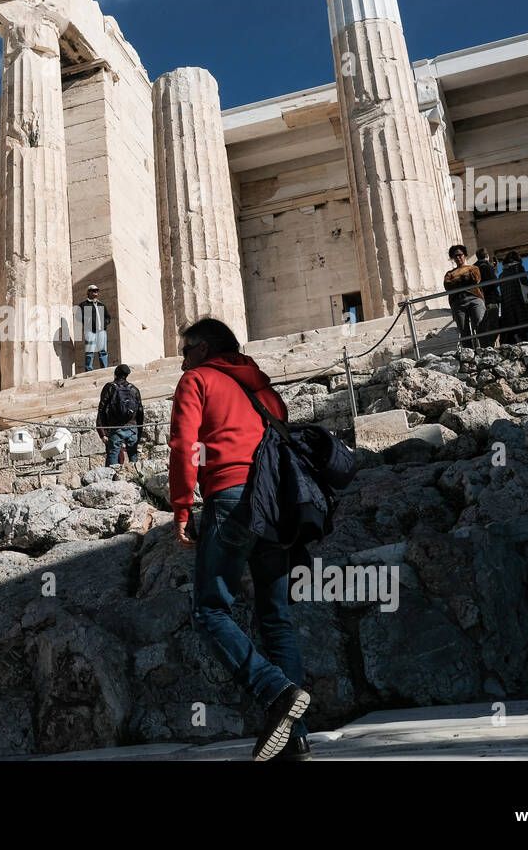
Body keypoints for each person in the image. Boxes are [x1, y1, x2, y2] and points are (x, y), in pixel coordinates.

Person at [169, 317, 311, 762]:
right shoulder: (261, 385)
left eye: (185, 350)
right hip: (275, 503)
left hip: (231, 498)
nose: (180, 361)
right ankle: (296, 739)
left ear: (204, 348)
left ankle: (276, 692)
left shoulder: (198, 379)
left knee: (210, 609)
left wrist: (181, 506)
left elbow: (185, 445)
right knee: (276, 617)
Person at [96, 364, 143, 466]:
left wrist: (105, 430)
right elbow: (140, 411)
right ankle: (137, 478)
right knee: (133, 458)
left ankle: (114, 479)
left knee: (113, 459)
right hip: (132, 428)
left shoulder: (110, 387)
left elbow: (101, 409)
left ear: (115, 374)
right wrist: (139, 431)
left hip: (116, 428)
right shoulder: (134, 389)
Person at [443, 245, 485, 345]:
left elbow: (475, 279)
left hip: (474, 298)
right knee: (463, 330)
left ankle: (483, 349)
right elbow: (448, 285)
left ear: (465, 255)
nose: (458, 257)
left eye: (460, 255)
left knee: (480, 324)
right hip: (457, 302)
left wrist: (457, 281)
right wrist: (465, 279)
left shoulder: (473, 268)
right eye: (455, 256)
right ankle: (468, 354)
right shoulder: (449, 273)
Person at [496, 251, 528, 343]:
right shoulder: (518, 268)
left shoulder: (501, 275)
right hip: (521, 302)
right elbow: (526, 284)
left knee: (515, 328)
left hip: (508, 307)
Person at [76, 284, 112, 372]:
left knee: (103, 351)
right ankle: (89, 370)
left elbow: (108, 317)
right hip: (90, 331)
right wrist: (87, 321)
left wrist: (105, 323)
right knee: (89, 351)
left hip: (101, 331)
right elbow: (78, 316)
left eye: (97, 290)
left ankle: (104, 369)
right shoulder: (83, 305)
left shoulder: (101, 305)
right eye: (93, 290)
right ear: (88, 292)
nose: (95, 292)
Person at [474, 248, 501, 347]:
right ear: (487, 256)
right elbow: (494, 283)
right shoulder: (487, 267)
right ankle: (490, 345)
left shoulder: (474, 268)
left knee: (483, 324)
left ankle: (485, 345)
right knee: (493, 323)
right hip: (491, 299)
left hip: (479, 300)